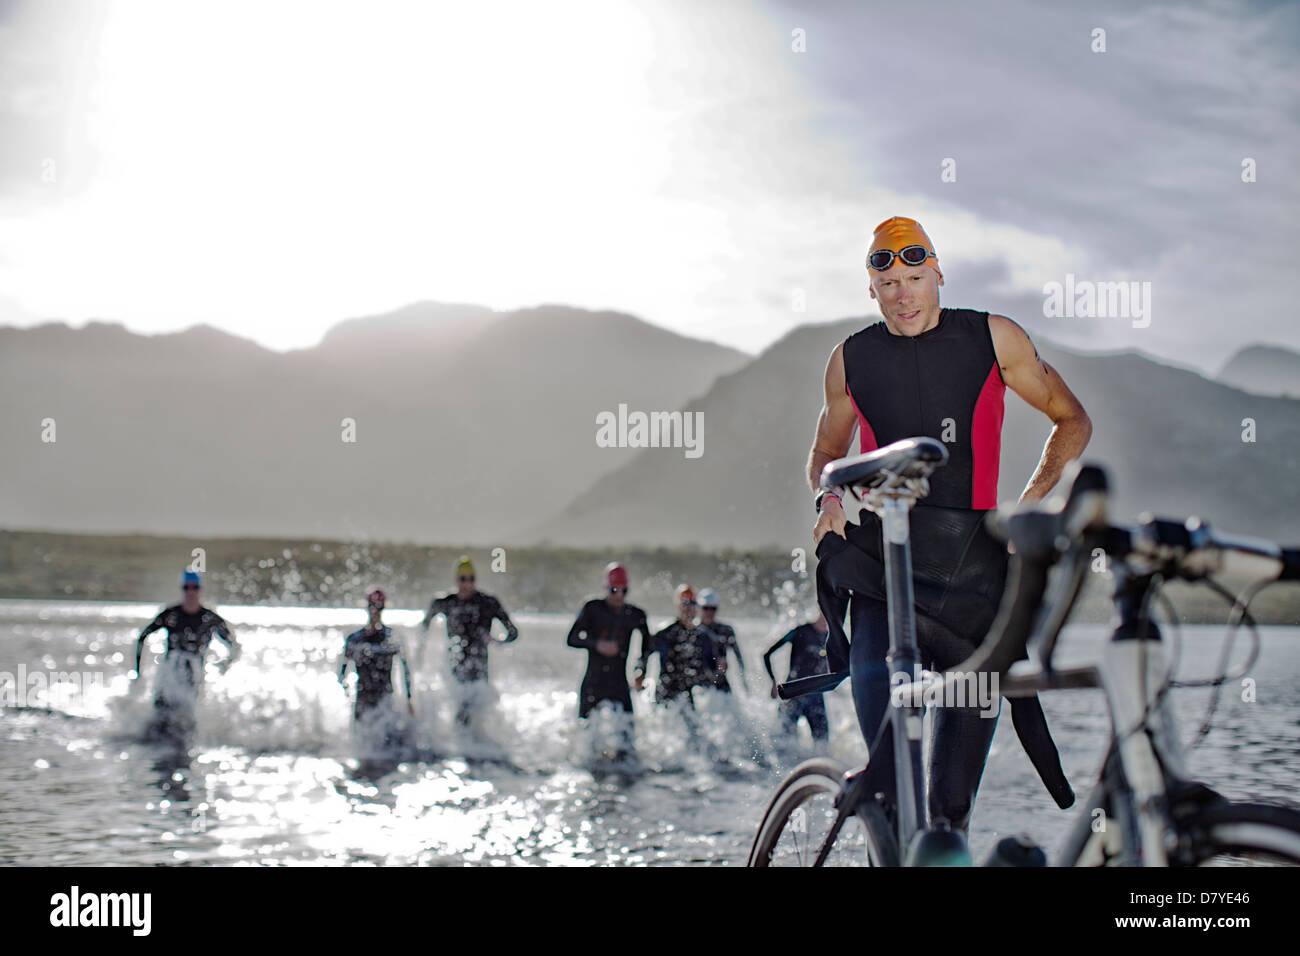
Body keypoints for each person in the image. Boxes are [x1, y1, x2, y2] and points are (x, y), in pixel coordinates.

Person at [808, 216, 1089, 831]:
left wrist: (1028, 505)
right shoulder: (850, 359)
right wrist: (828, 501)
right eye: (889, 283)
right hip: (890, 580)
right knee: (890, 781)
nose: (903, 294)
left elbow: (1071, 420)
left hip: (974, 589)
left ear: (938, 275)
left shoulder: (993, 338)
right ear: (872, 290)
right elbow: (826, 455)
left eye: (915, 277)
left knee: (949, 809)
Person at [132, 570, 239, 739]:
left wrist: (224, 665)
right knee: (158, 724)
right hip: (169, 676)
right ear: (182, 589)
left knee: (185, 725)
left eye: (194, 587)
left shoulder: (209, 618)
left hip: (192, 678)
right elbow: (142, 638)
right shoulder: (171, 615)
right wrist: (138, 672)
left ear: (200, 589)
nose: (190, 592)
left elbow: (234, 646)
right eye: (186, 587)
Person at [420, 555, 519, 727]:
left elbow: (513, 632)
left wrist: (497, 641)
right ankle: (459, 743)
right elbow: (424, 627)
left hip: (479, 665)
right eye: (463, 579)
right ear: (456, 580)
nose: (467, 583)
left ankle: (476, 741)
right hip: (456, 665)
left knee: (477, 709)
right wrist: (420, 654)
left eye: (471, 579)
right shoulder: (446, 602)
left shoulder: (487, 602)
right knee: (461, 708)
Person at [565, 563, 651, 758]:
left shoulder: (635, 615)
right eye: (614, 590)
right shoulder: (592, 608)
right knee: (586, 740)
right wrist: (597, 644)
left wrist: (641, 670)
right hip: (593, 682)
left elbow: (648, 646)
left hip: (619, 683)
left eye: (624, 590)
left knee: (628, 744)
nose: (619, 595)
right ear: (606, 588)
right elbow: (572, 638)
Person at [634, 584, 716, 709]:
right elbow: (645, 653)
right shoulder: (665, 632)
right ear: (678, 605)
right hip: (665, 691)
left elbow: (714, 666)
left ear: (697, 606)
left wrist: (720, 668)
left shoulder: (703, 636)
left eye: (692, 603)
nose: (688, 607)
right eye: (685, 603)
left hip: (690, 694)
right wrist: (640, 672)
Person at [338, 588, 414, 724]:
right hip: (362, 700)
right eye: (372, 607)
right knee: (362, 738)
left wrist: (409, 699)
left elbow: (406, 670)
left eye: (378, 607)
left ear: (383, 609)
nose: (375, 611)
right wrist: (346, 694)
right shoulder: (355, 639)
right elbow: (342, 673)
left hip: (385, 700)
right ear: (367, 608)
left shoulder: (392, 639)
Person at [763, 613, 830, 743]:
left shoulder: (831, 638)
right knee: (784, 742)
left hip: (816, 697)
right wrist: (773, 682)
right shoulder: (800, 631)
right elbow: (767, 654)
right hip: (794, 694)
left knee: (823, 745)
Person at [697, 589, 745, 693]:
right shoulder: (692, 631)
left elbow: (739, 659)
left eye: (713, 609)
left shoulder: (726, 630)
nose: (709, 612)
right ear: (699, 608)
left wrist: (745, 685)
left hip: (721, 683)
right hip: (699, 685)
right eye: (706, 608)